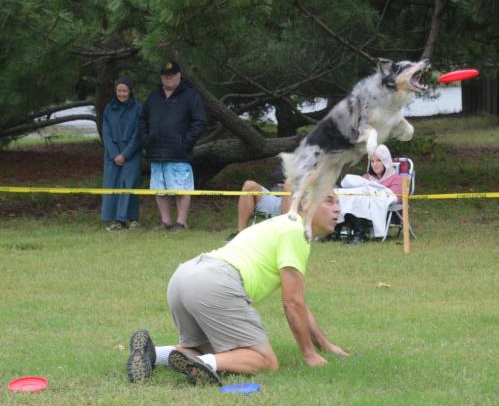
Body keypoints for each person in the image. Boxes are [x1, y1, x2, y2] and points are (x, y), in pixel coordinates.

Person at [126, 191, 349, 386]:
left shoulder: (281, 224)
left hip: (184, 277)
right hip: (214, 282)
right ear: (305, 205)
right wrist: (309, 354)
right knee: (265, 360)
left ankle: (153, 355)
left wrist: (324, 344)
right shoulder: (296, 231)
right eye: (329, 201)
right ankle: (199, 364)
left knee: (215, 350)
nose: (337, 208)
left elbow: (299, 303)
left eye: (338, 202)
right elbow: (293, 302)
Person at [139, 58, 207, 231]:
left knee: (181, 189)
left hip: (179, 153)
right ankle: (166, 222)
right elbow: (142, 119)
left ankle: (181, 223)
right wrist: (145, 139)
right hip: (155, 151)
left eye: (171, 75)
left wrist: (185, 142)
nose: (168, 78)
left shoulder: (190, 96)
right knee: (159, 189)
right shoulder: (154, 97)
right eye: (165, 76)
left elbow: (199, 122)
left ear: (179, 75)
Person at [334, 144, 402, 243]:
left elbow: (396, 199)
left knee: (361, 198)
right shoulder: (366, 178)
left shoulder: (396, 179)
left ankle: (360, 235)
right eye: (372, 161)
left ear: (386, 161)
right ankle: (333, 232)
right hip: (362, 210)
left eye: (379, 160)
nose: (375, 164)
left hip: (386, 212)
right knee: (343, 195)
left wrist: (375, 193)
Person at [100, 77, 143, 231]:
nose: (122, 94)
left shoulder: (138, 108)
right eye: (119, 90)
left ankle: (132, 219)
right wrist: (114, 154)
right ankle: (117, 221)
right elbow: (105, 132)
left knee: (129, 184)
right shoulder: (109, 109)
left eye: (125, 90)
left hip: (131, 154)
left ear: (130, 91)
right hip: (112, 154)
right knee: (113, 184)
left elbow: (138, 134)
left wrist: (125, 154)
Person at [226, 164, 291, 241]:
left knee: (289, 185)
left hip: (295, 202)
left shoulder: (306, 162)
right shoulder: (289, 158)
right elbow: (276, 175)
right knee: (249, 185)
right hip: (275, 198)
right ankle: (240, 234)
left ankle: (288, 233)